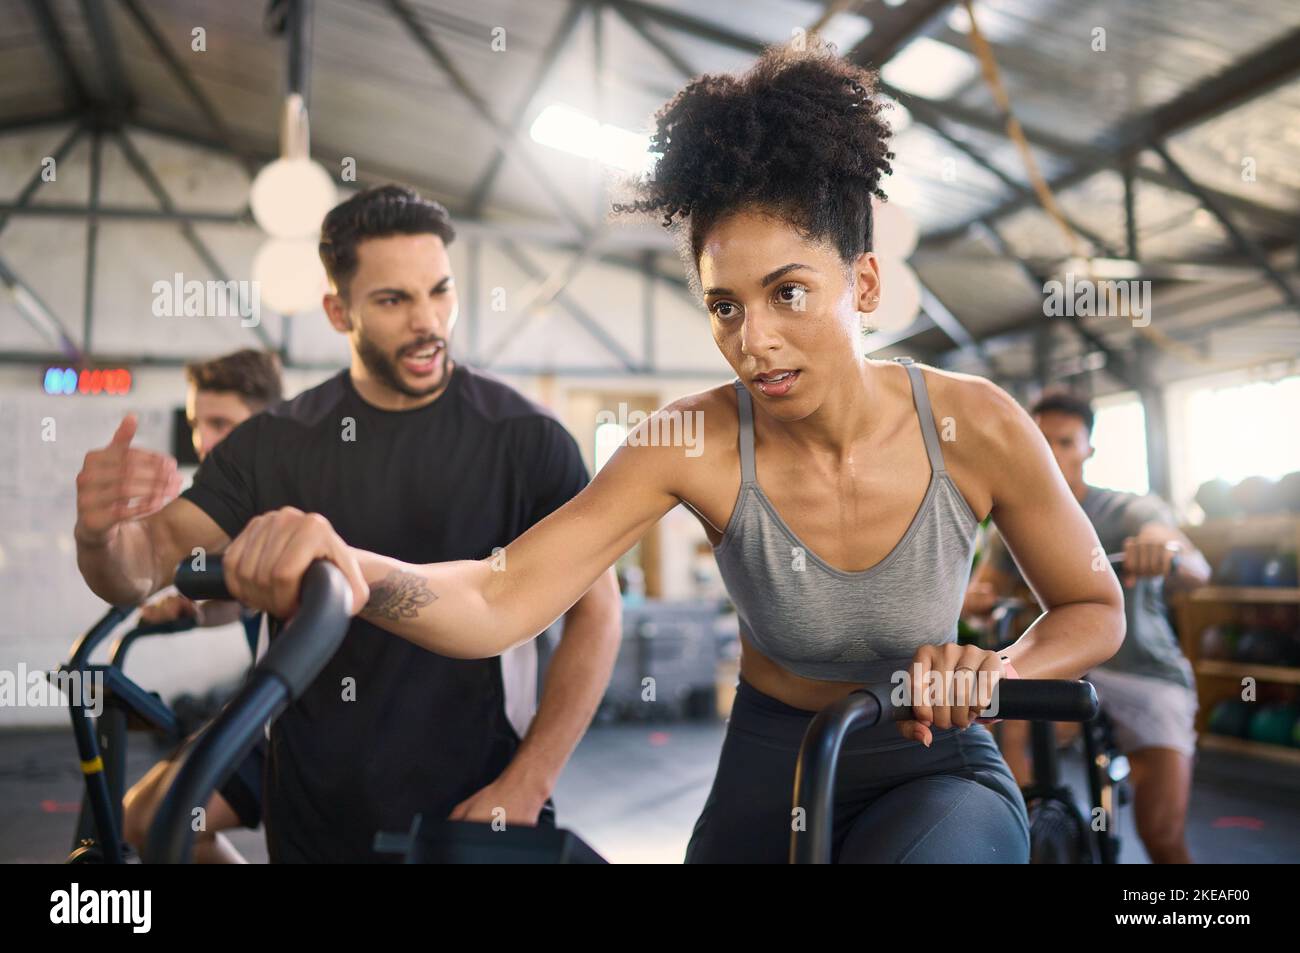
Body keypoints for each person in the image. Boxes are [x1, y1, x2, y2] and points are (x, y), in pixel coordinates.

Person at [212, 44, 1126, 864]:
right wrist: (349, 564)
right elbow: (500, 596)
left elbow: (1093, 604)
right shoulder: (691, 442)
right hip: (776, 755)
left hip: (934, 761)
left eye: (789, 292)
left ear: (867, 282)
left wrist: (997, 671)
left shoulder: (977, 423)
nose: (753, 338)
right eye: (725, 305)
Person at [74, 185, 622, 862]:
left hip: (468, 804)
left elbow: (597, 612)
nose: (429, 322)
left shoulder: (524, 439)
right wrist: (100, 536)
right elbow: (141, 562)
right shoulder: (273, 443)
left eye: (440, 291)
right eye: (394, 300)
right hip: (311, 806)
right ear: (339, 311)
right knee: (152, 819)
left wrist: (529, 782)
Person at [964, 391, 1211, 864]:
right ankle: (1029, 829)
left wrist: (1165, 551)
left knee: (1161, 835)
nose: (1053, 452)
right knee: (1007, 717)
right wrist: (979, 599)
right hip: (1068, 670)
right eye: (1042, 440)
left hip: (1146, 673)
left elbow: (1194, 567)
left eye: (1065, 441)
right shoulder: (1014, 521)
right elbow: (981, 596)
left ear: (1088, 449)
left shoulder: (1130, 510)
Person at [120, 349, 283, 863]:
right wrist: (192, 608)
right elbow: (242, 601)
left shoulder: (293, 502)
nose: (204, 440)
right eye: (196, 423)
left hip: (307, 715)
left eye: (221, 423)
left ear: (267, 425)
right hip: (263, 709)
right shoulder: (229, 506)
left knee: (164, 822)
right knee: (137, 817)